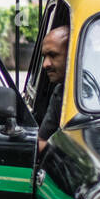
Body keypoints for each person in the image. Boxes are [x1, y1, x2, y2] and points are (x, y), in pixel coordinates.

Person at [37, 25, 70, 155]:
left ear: (72, 53)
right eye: (44, 57)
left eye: (53, 55)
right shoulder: (60, 92)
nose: (45, 64)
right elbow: (42, 140)